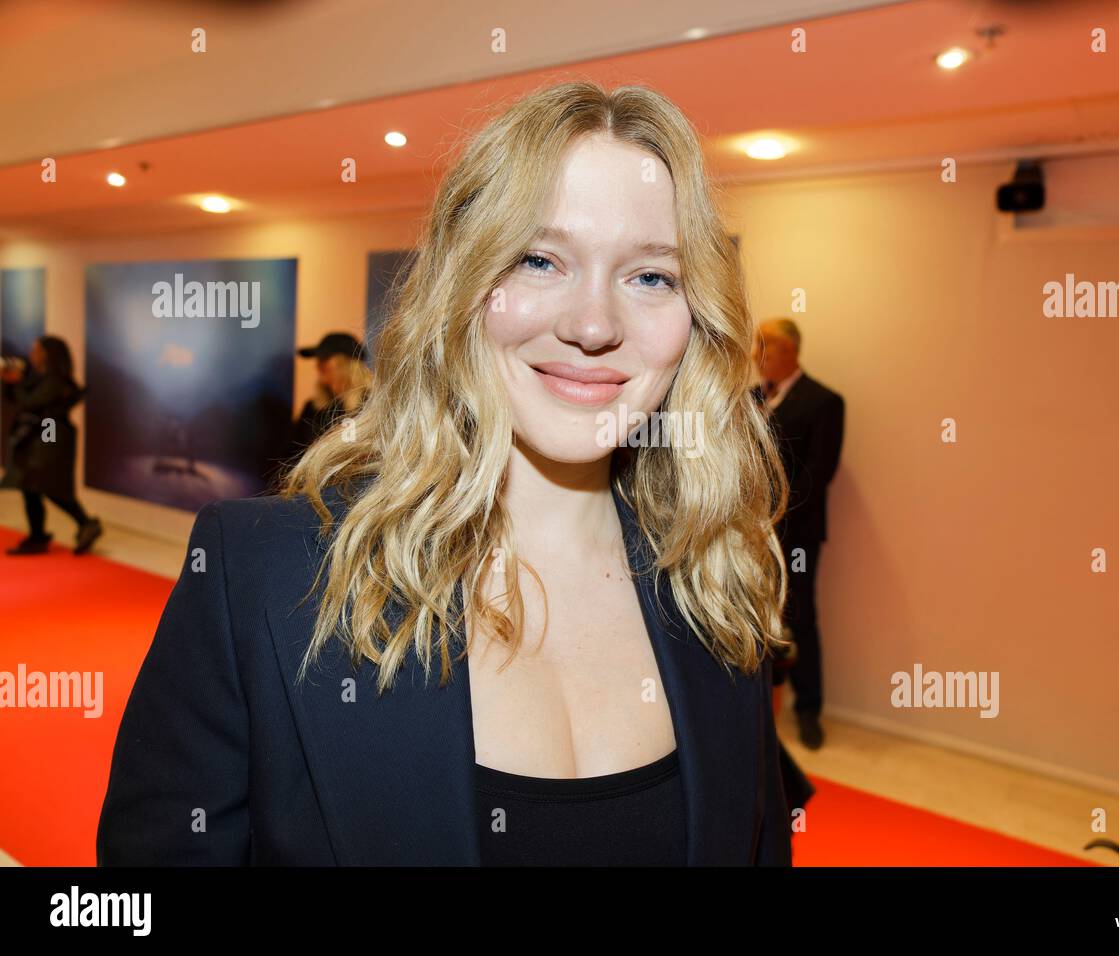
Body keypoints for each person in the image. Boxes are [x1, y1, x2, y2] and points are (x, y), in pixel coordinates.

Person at [97, 81, 794, 866]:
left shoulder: (717, 585)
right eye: (539, 259)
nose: (594, 325)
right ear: (462, 287)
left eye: (651, 277)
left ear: (694, 320)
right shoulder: (262, 578)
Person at [753, 318, 845, 749]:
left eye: (764, 347)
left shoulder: (824, 401)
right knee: (753, 618)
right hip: (747, 534)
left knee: (799, 619)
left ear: (788, 351)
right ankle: (756, 710)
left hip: (796, 536)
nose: (756, 356)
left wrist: (773, 516)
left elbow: (817, 474)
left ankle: (808, 711)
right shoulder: (750, 399)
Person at [0, 335, 103, 556]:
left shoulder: (55, 380)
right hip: (48, 432)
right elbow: (22, 401)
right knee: (33, 484)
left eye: (36, 349)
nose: (31, 352)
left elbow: (31, 403)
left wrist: (16, 383)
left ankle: (85, 523)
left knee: (46, 483)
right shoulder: (43, 378)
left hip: (51, 432)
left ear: (47, 354)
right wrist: (11, 383)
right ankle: (39, 535)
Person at [284, 332, 372, 467]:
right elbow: (292, 457)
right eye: (318, 360)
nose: (318, 366)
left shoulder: (373, 404)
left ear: (346, 363)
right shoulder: (314, 409)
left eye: (325, 360)